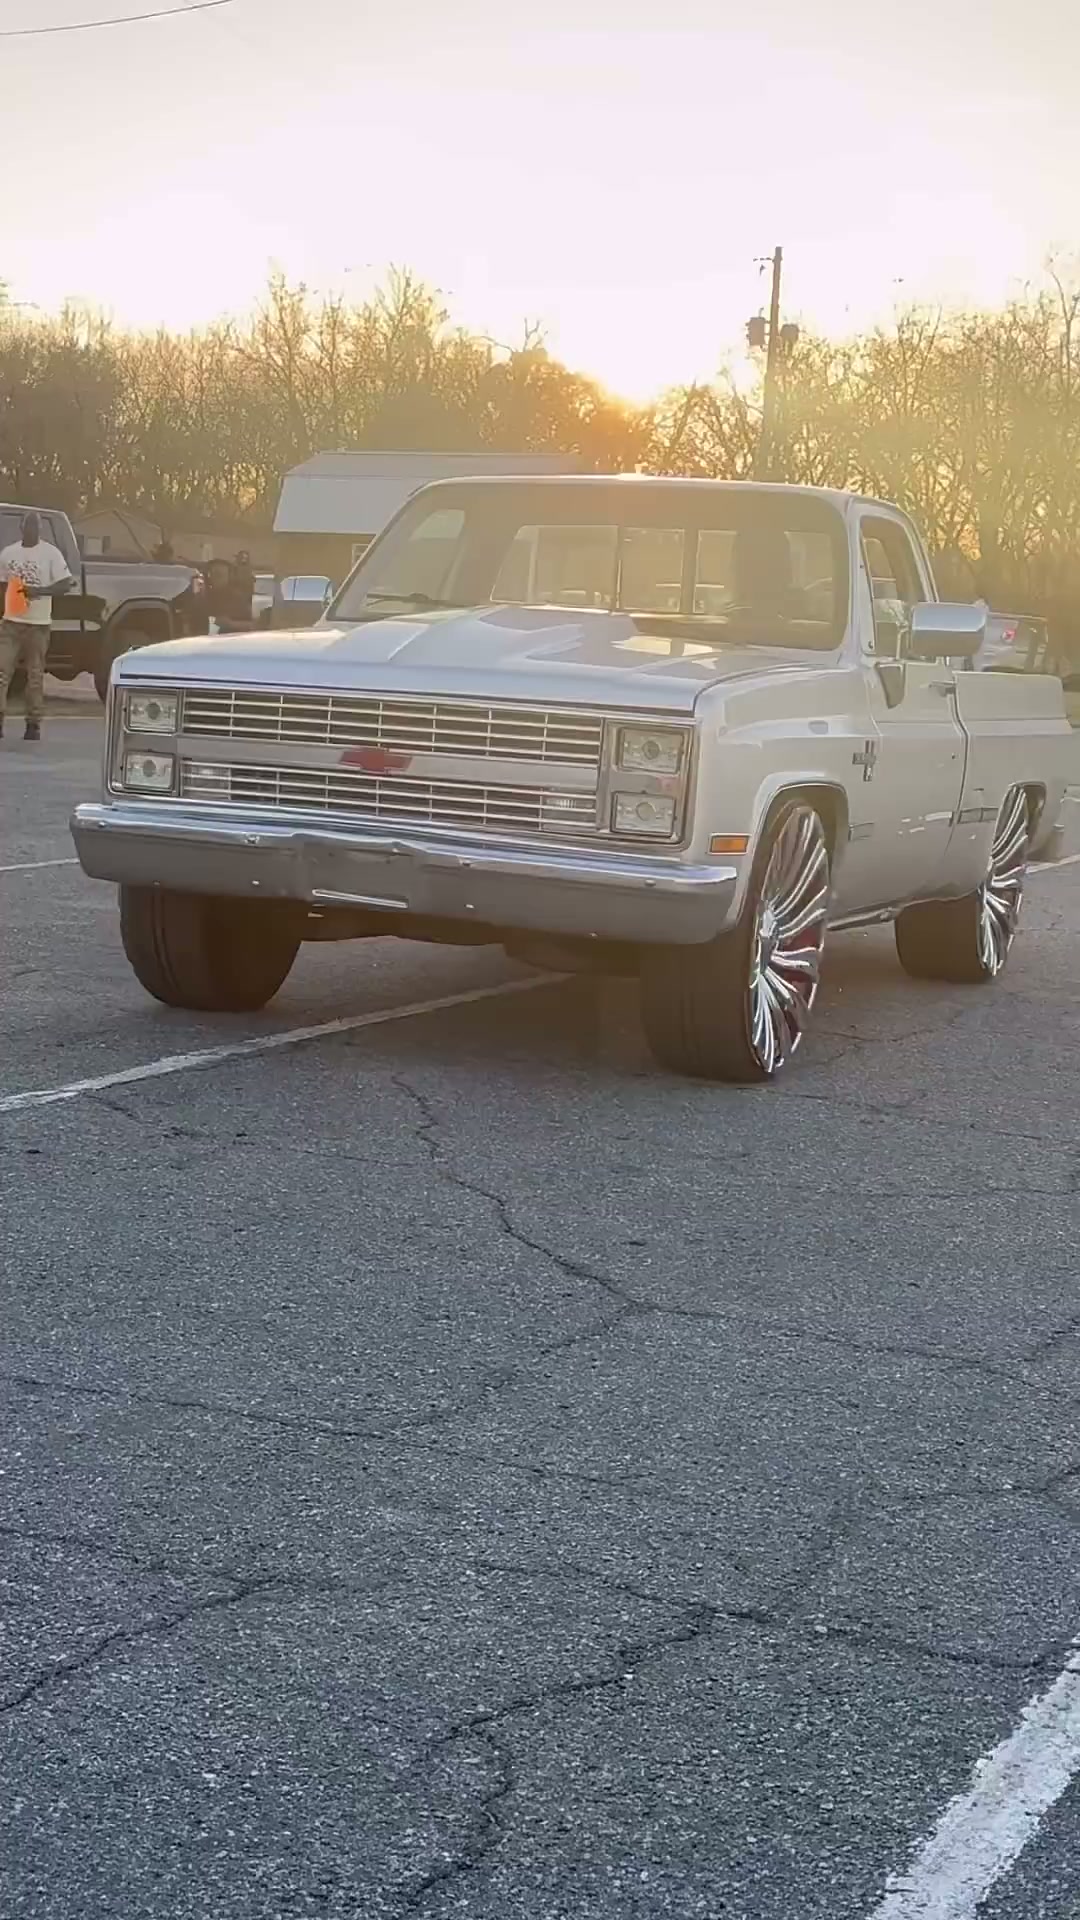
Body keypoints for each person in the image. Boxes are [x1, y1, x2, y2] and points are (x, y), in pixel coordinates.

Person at [0, 512, 76, 742]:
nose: (32, 529)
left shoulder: (50, 554)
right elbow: (2, 584)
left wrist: (39, 592)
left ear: (40, 528)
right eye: (29, 525)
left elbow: (66, 584)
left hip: (38, 624)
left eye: (36, 525)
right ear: (21, 527)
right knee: (2, 673)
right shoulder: (9, 553)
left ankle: (33, 724)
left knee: (35, 676)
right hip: (12, 622)